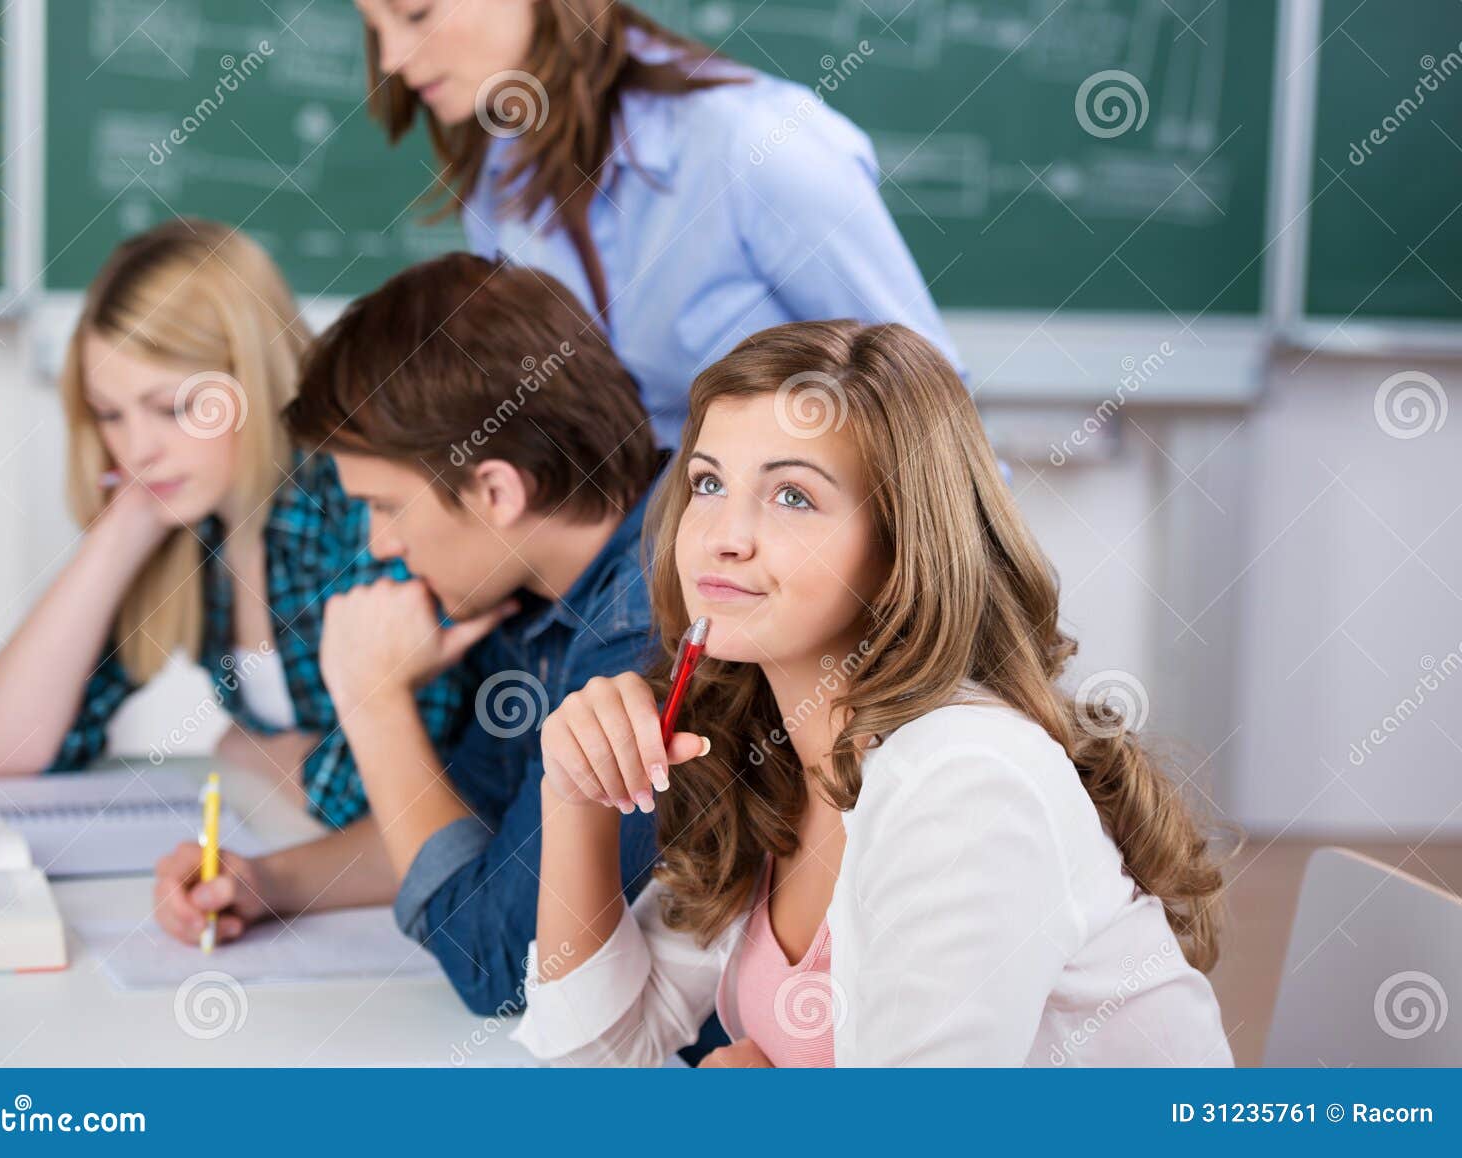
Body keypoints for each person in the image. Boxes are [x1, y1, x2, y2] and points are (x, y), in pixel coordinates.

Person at [516, 320, 1233, 1066]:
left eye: (792, 495)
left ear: (899, 547)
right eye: (708, 482)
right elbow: (595, 1060)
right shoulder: (766, 751)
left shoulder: (965, 778)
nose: (722, 536)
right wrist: (575, 800)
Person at [151, 253, 678, 1024]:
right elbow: (481, 829)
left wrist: (372, 697)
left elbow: (503, 967)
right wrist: (275, 884)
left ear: (496, 489)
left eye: (387, 505)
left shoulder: (650, 629)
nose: (379, 544)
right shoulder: (535, 593)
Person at [0, 220, 464, 827]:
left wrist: (243, 751)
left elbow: (387, 793)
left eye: (172, 408)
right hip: (296, 873)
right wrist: (121, 532)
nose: (136, 447)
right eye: (108, 414)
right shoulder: (188, 520)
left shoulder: (360, 502)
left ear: (249, 378)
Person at [354, 0, 962, 446]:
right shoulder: (498, 184)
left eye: (413, 13)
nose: (391, 59)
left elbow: (930, 406)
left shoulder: (757, 143)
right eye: (373, 26)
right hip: (648, 572)